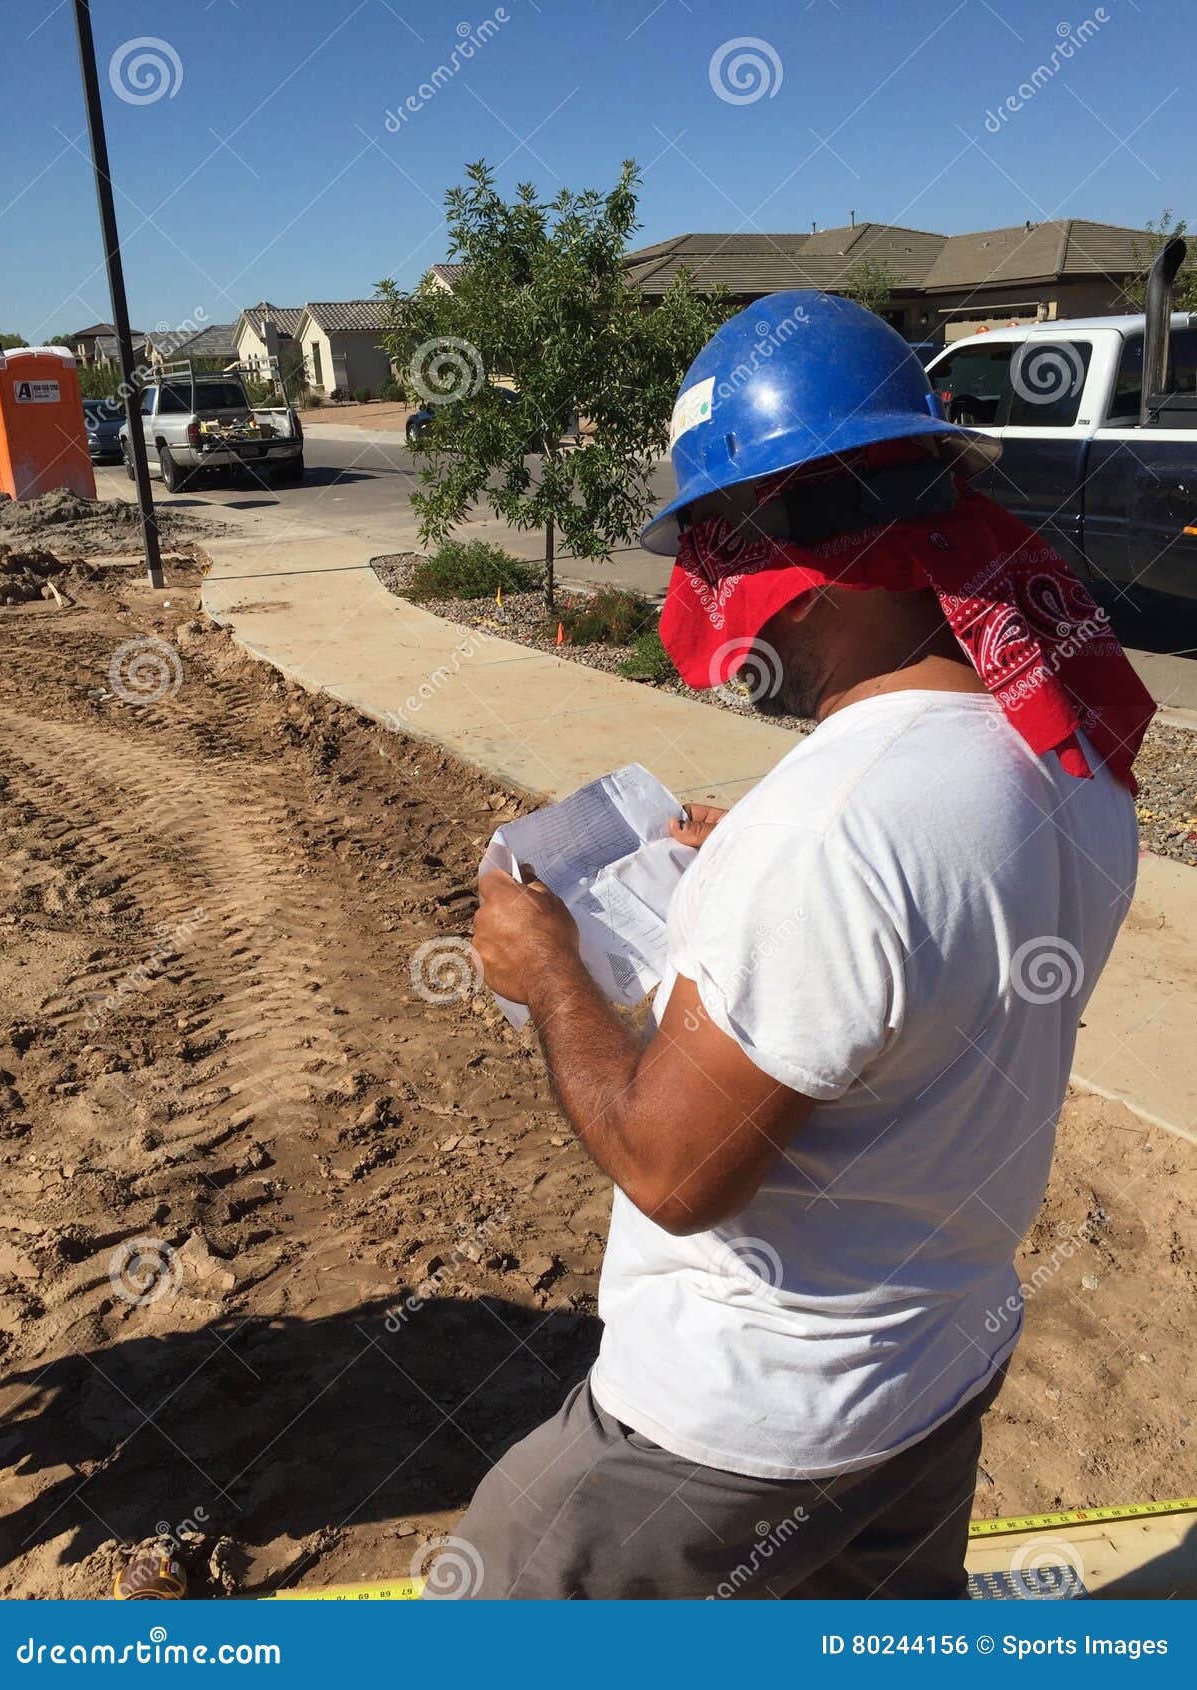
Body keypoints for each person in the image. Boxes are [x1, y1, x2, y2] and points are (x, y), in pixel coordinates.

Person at [446, 292, 1155, 1601]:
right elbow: (925, 964)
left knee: (491, 1594)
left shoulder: (832, 830)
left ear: (804, 571)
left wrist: (547, 966)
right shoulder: (1070, 762)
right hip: (929, 1380)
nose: (713, 603)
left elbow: (673, 1166)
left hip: (738, 1430)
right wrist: (771, 880)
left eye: (716, 555)